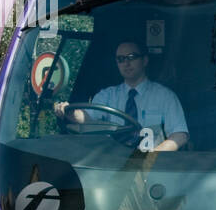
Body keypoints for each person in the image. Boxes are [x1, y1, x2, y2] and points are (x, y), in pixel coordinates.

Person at [55, 40, 189, 151]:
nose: (126, 63)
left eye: (132, 57)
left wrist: (152, 158)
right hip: (110, 164)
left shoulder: (165, 96)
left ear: (145, 60)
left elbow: (180, 134)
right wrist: (69, 112)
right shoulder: (106, 96)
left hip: (152, 168)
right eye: (121, 59)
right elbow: (86, 117)